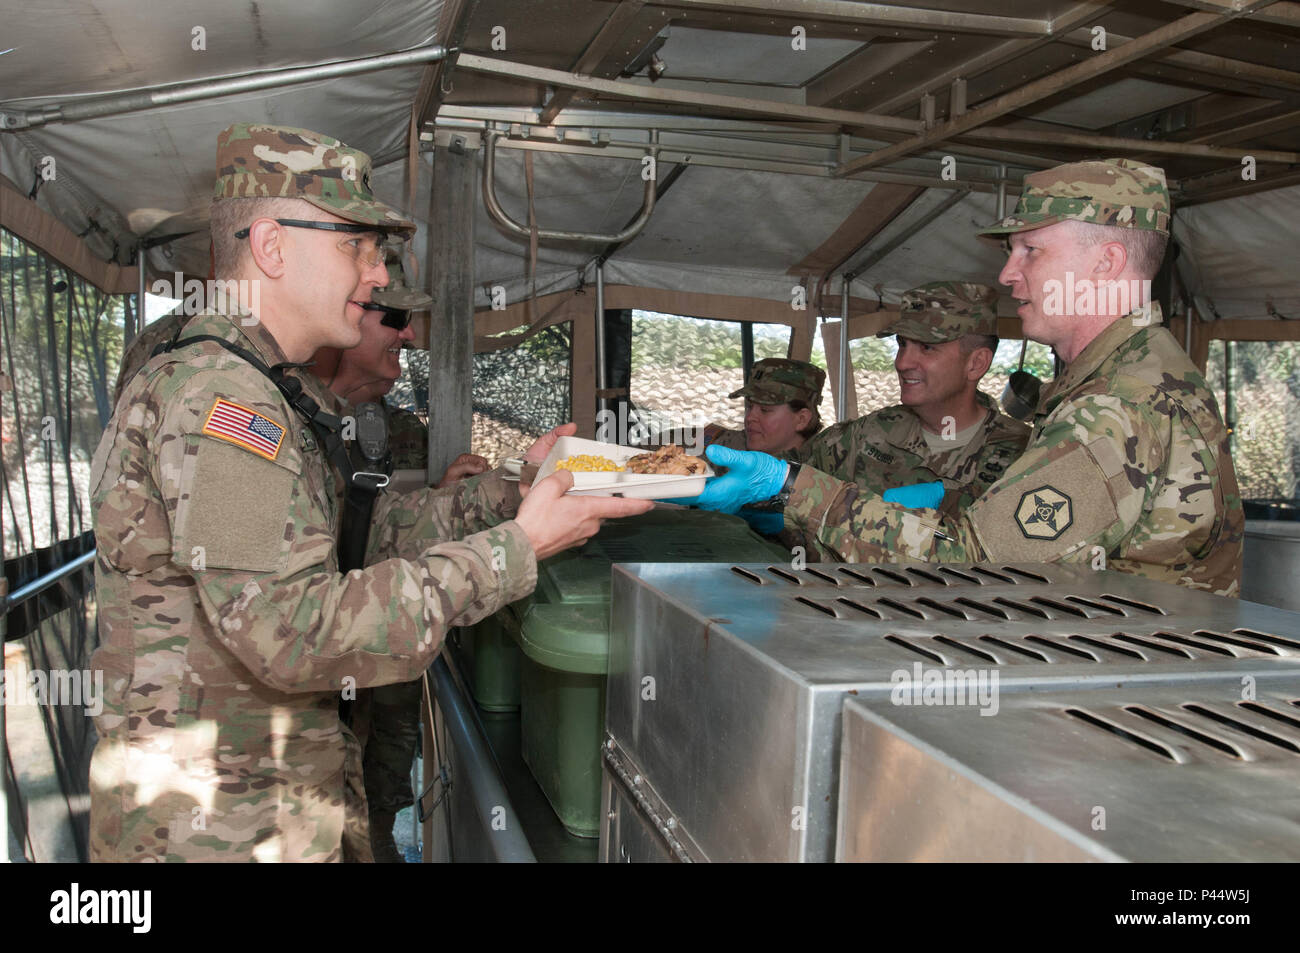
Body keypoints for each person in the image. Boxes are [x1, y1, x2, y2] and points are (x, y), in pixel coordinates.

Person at [88, 123, 652, 863]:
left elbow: (357, 536)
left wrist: (516, 489)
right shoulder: (220, 402)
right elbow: (289, 631)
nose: (379, 273)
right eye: (357, 244)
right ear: (271, 246)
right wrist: (516, 550)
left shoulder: (253, 388)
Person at [685, 158, 1243, 596]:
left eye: (1030, 250)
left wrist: (789, 487)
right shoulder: (1143, 375)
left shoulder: (1119, 404)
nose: (1008, 274)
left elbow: (976, 565)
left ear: (1105, 263)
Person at [307, 274, 486, 862]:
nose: (408, 335)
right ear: (342, 314)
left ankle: (377, 836)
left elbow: (372, 523)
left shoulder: (378, 426)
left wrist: (456, 497)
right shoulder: (276, 415)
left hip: (369, 649)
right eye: (392, 318)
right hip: (306, 684)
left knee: (374, 787)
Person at [796, 281, 1028, 529]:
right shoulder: (866, 435)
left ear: (976, 363)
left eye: (927, 347)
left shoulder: (1024, 453)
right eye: (902, 344)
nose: (903, 362)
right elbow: (787, 476)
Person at [702, 358, 825, 457]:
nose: (749, 417)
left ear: (801, 419)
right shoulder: (736, 444)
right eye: (749, 406)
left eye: (765, 410)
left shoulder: (823, 469)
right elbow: (690, 438)